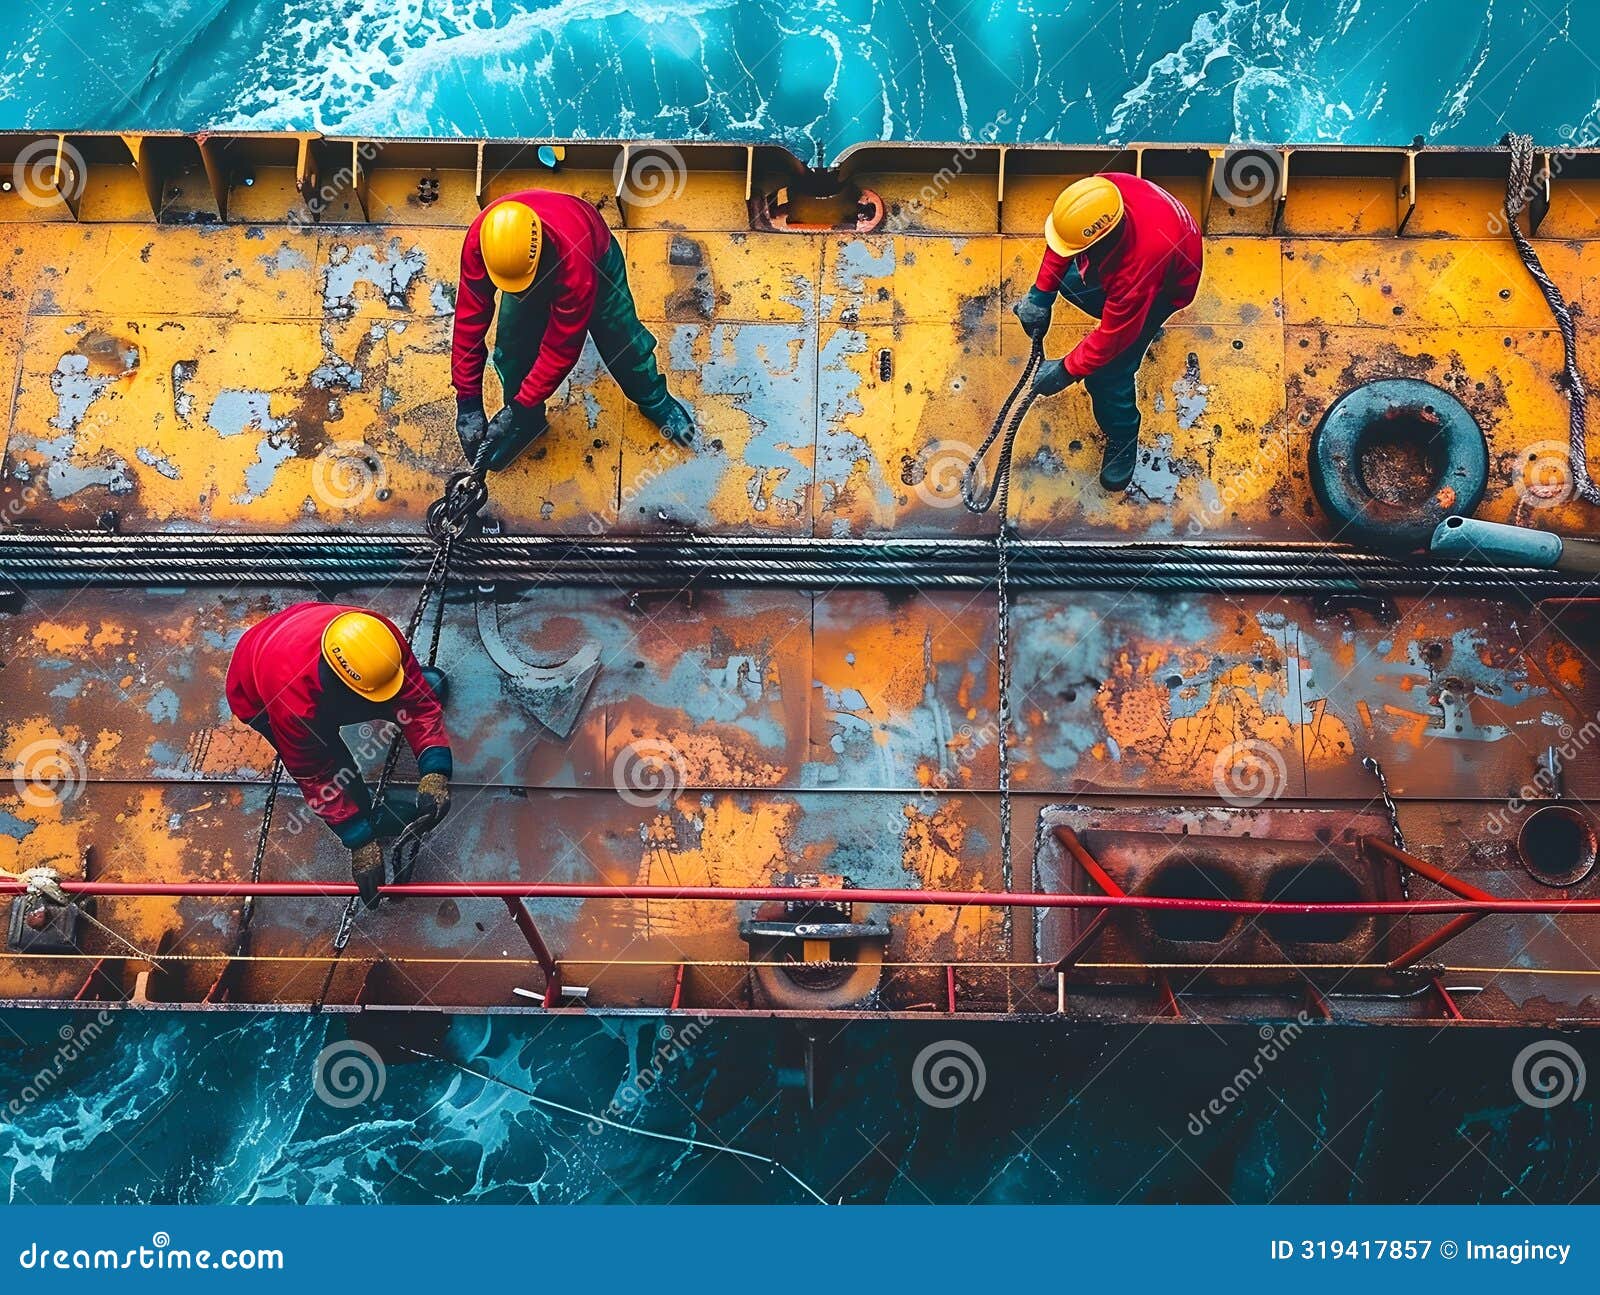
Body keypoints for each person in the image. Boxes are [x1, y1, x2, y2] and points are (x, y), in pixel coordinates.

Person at [451, 190, 696, 469]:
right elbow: (468, 326)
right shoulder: (481, 242)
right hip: (522, 268)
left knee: (622, 342)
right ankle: (526, 423)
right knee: (512, 351)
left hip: (594, 257)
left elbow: (560, 350)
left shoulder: (575, 264)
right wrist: (467, 400)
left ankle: (656, 400)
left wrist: (521, 402)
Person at [225, 604, 452, 905]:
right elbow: (316, 776)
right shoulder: (295, 707)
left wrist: (435, 769)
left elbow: (418, 705)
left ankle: (388, 698)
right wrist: (358, 838)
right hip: (258, 688)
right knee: (336, 766)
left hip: (295, 635)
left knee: (422, 692)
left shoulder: (378, 634)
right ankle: (368, 817)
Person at [1014, 173, 1203, 492]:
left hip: (1164, 286)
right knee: (1067, 282)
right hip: (1147, 260)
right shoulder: (1100, 196)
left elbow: (1114, 336)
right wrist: (1040, 295)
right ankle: (1136, 327)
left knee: (1106, 375)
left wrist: (1064, 370)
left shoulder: (1137, 270)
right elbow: (1064, 242)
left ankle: (1123, 435)